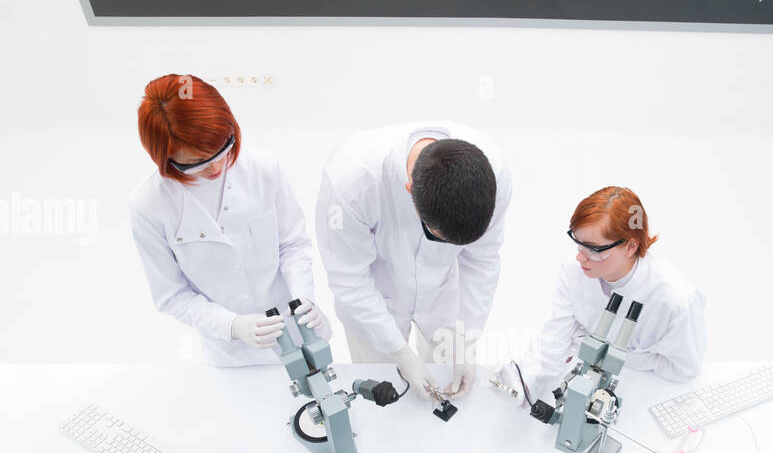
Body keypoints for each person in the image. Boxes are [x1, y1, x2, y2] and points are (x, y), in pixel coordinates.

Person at [130, 74, 329, 366]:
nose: (216, 166)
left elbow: (293, 245)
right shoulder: (148, 205)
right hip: (231, 355)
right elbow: (171, 295)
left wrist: (304, 297)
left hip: (300, 332)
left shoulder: (262, 168)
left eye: (223, 149)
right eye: (196, 162)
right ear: (163, 156)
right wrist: (232, 326)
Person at [316, 121, 510, 397]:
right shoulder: (351, 182)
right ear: (410, 192)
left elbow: (482, 261)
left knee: (450, 380)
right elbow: (349, 277)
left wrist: (466, 337)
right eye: (438, 237)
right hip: (374, 302)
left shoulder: (496, 176)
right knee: (383, 395)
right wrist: (399, 351)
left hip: (443, 297)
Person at [501, 186, 705, 399]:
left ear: (630, 247)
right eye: (578, 244)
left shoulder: (676, 300)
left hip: (649, 391)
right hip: (587, 381)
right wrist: (528, 381)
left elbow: (684, 369)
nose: (581, 257)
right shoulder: (574, 268)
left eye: (594, 249)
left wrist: (615, 355)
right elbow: (557, 335)